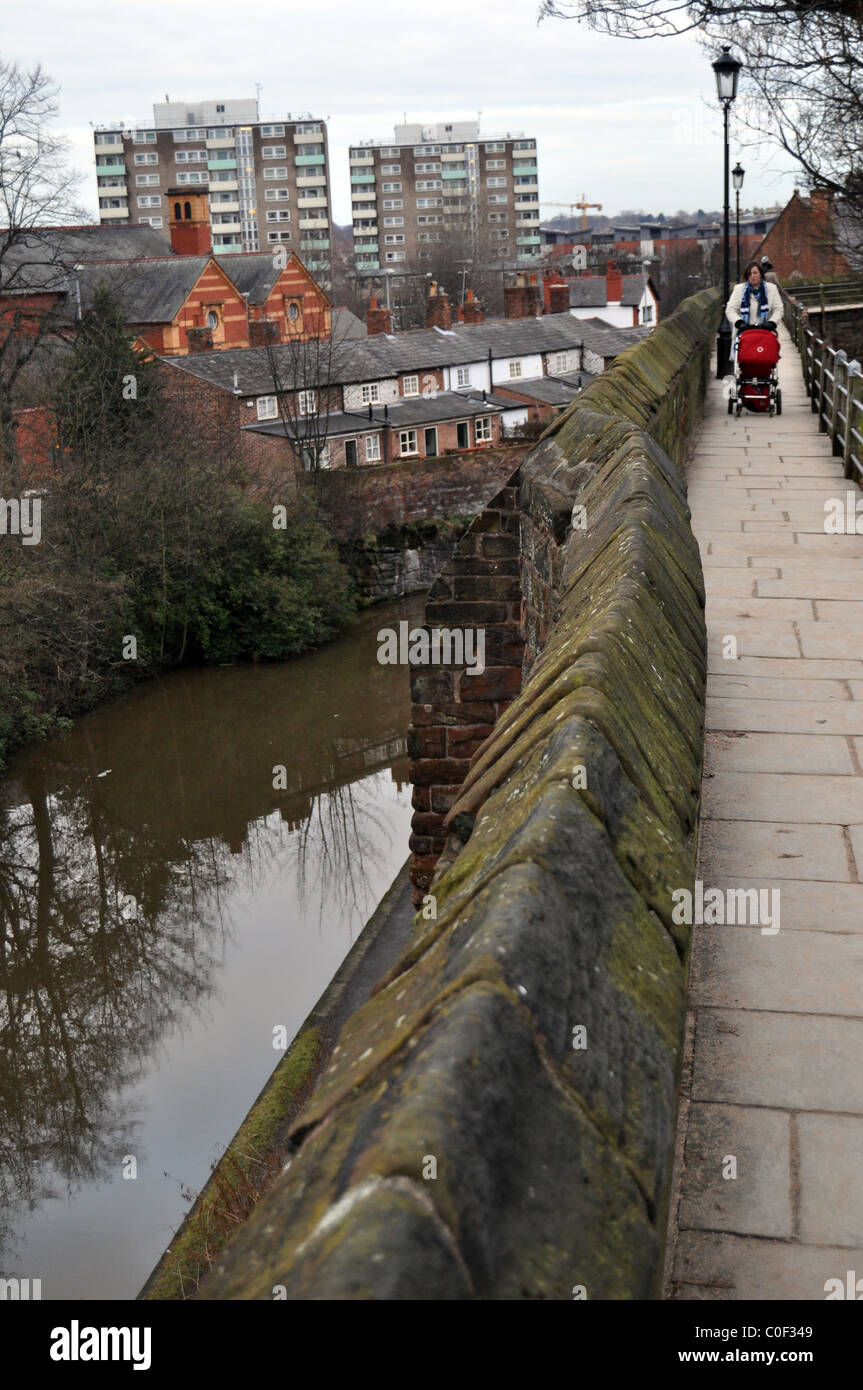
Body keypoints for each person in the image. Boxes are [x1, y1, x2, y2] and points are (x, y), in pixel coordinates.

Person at [726, 260, 783, 339]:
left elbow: (778, 309)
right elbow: (730, 309)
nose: (752, 276)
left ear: (760, 274)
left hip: (766, 333)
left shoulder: (771, 288)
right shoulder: (739, 289)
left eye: (755, 273)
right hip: (744, 335)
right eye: (749, 274)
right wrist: (739, 322)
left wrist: (772, 322)